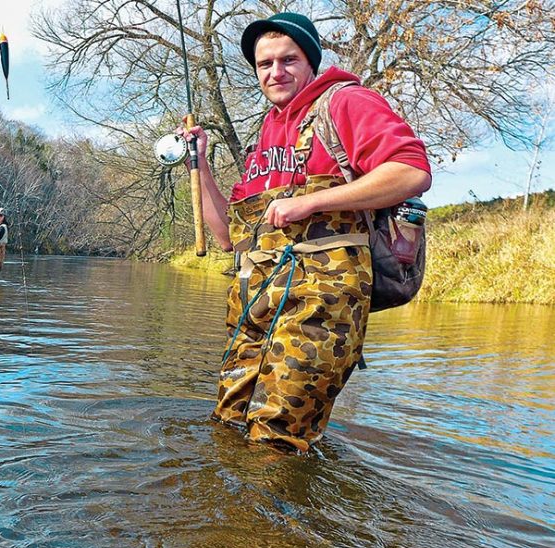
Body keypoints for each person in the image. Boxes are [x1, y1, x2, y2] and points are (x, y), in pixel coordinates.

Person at [182, 12, 432, 452]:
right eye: (264, 64)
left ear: (310, 62)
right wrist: (198, 163)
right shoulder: (267, 130)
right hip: (256, 306)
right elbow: (227, 238)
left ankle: (272, 521)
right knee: (228, 424)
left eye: (288, 60)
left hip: (322, 304)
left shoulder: (345, 102)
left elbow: (411, 170)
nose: (276, 72)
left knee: (276, 441)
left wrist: (311, 201)